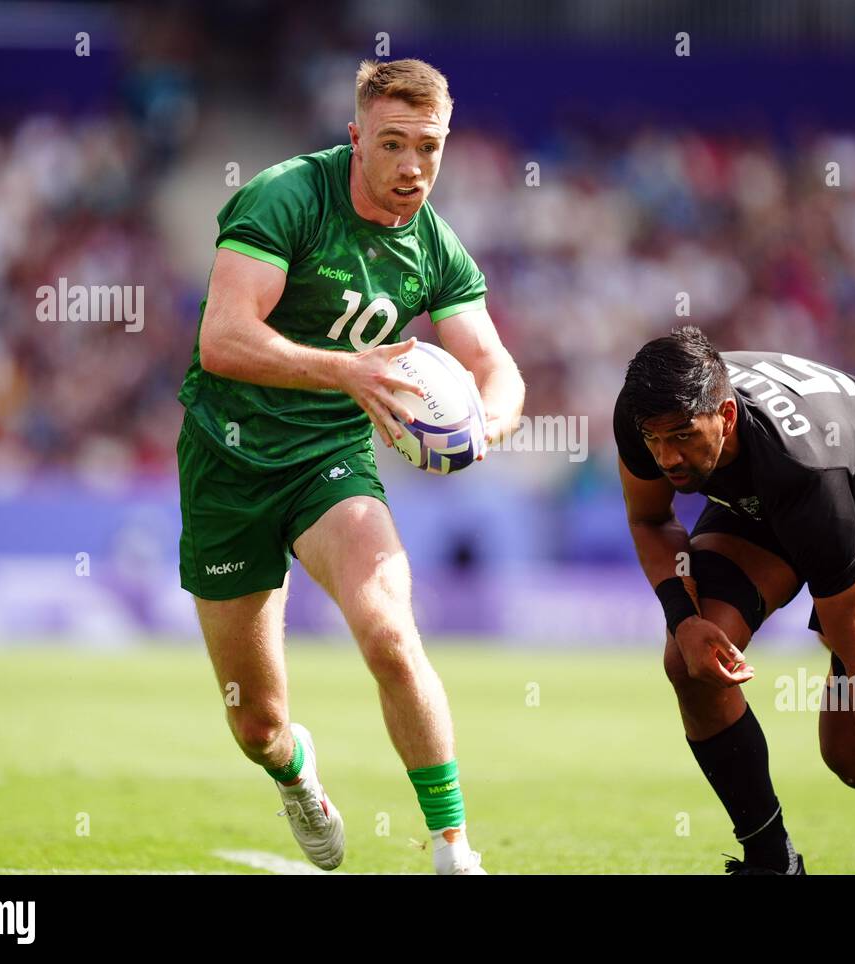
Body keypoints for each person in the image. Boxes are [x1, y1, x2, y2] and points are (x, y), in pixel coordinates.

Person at [176, 58, 524, 874]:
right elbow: (221, 340)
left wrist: (488, 426)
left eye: (429, 148)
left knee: (391, 635)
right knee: (257, 725)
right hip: (227, 461)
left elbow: (494, 364)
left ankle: (452, 849)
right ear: (355, 136)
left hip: (331, 462)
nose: (412, 168)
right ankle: (297, 775)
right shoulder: (286, 196)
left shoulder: (437, 249)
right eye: (393, 144)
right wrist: (348, 370)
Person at [615, 326, 855, 875]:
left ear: (727, 416)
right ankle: (773, 861)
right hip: (761, 491)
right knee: (688, 662)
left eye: (683, 436)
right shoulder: (644, 413)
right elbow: (650, 518)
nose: (667, 457)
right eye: (655, 440)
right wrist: (683, 619)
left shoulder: (806, 473)